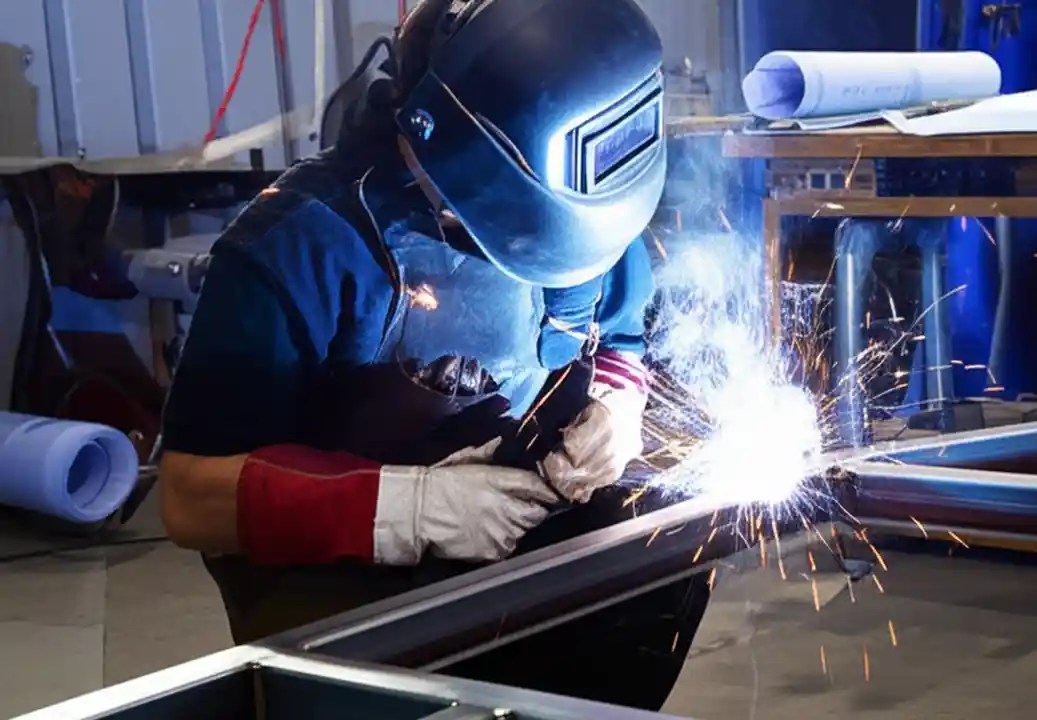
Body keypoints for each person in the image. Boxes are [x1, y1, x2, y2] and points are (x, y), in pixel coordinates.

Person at [157, 0, 708, 709]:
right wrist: (413, 511)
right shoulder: (299, 248)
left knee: (664, 536)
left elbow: (622, 327)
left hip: (519, 545)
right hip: (350, 596)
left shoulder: (585, 205)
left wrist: (618, 399)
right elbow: (187, 497)